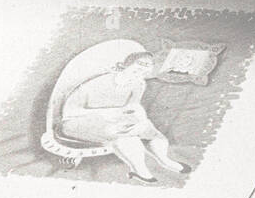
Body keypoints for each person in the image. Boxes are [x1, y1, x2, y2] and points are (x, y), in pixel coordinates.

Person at [58, 51, 185, 183]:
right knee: (123, 133)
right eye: (140, 64)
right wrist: (105, 113)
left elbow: (133, 106)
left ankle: (164, 160)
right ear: (125, 65)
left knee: (147, 129)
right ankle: (139, 170)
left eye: (147, 68)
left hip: (113, 119)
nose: (142, 71)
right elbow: (69, 112)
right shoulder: (97, 83)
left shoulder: (138, 84)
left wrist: (142, 120)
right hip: (77, 121)